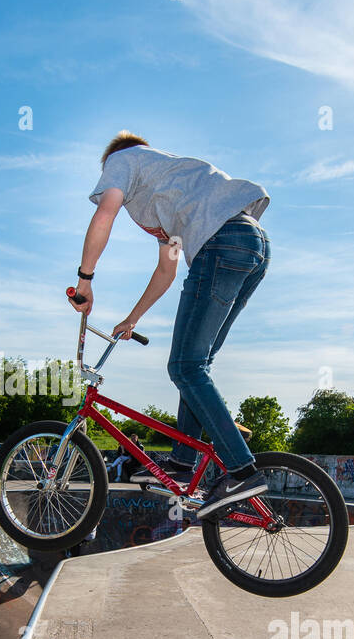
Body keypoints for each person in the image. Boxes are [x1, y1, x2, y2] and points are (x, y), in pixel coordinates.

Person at [72, 131, 271, 517]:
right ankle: (182, 461)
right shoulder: (172, 190)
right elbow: (168, 266)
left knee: (184, 367)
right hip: (252, 246)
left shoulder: (124, 159)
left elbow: (104, 213)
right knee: (195, 366)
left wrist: (85, 279)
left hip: (223, 245)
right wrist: (132, 319)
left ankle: (241, 470)